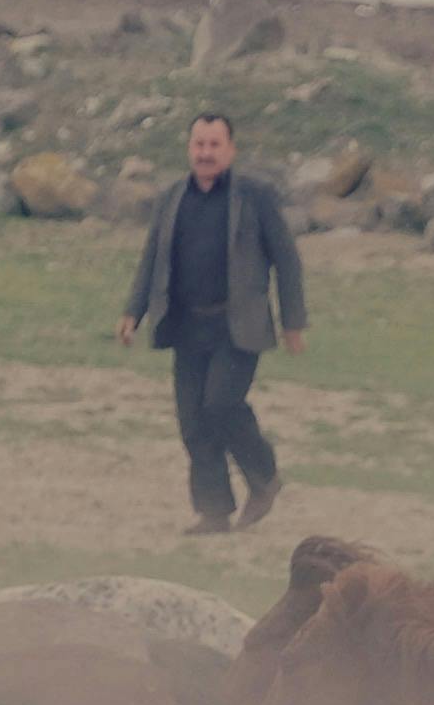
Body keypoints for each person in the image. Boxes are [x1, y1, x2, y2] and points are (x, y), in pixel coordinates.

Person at [117, 112, 308, 536]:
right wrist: (133, 311)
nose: (205, 153)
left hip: (238, 326)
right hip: (186, 324)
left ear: (230, 150)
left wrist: (293, 320)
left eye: (214, 145)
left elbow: (286, 259)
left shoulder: (255, 196)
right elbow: (152, 258)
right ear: (189, 148)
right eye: (199, 145)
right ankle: (214, 510)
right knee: (193, 421)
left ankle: (264, 477)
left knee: (220, 404)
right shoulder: (172, 196)